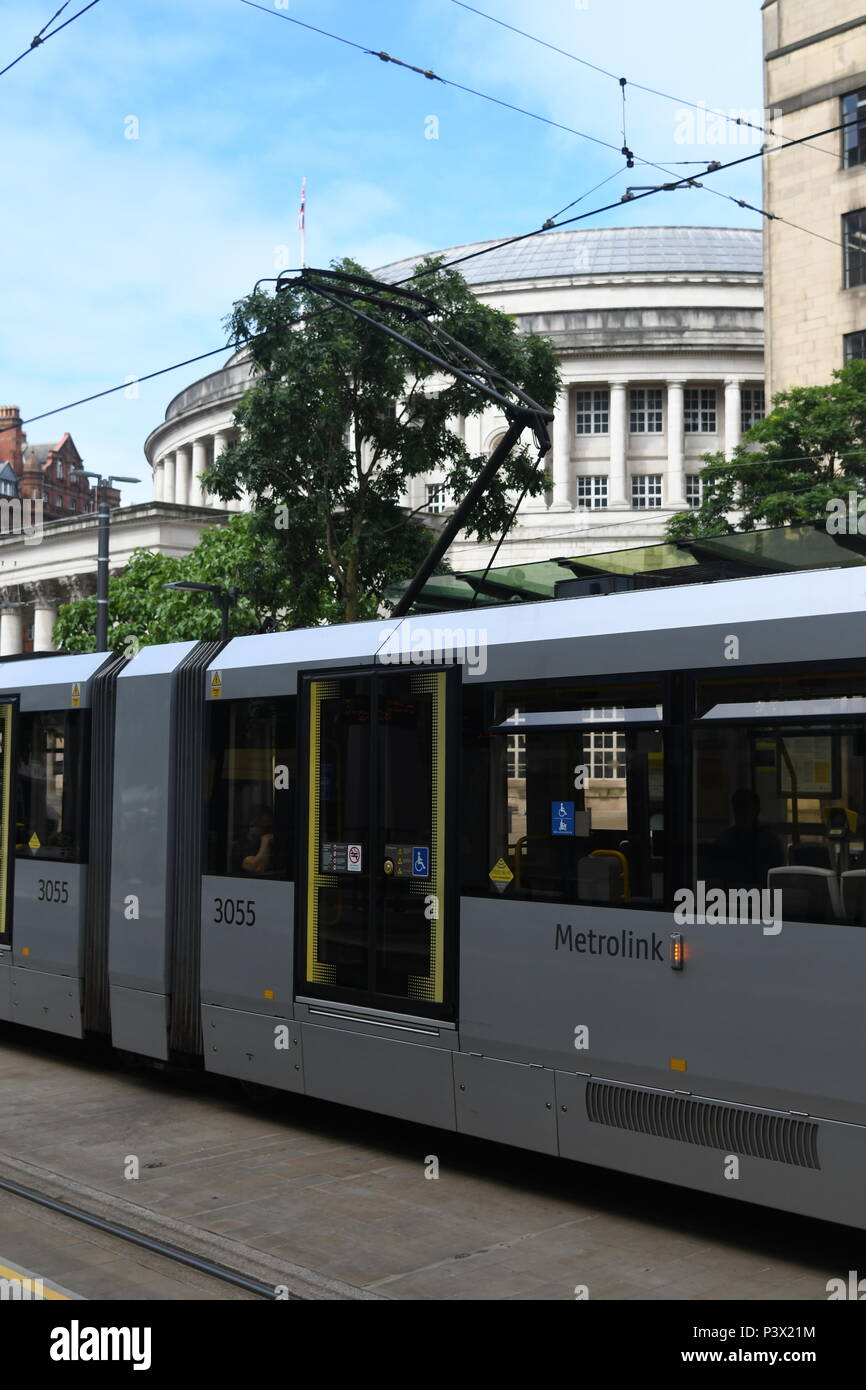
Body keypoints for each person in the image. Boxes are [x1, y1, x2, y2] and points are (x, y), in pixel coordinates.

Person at [715, 787, 785, 890]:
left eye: (745, 808)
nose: (741, 813)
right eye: (738, 808)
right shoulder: (725, 839)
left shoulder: (770, 841)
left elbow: (775, 878)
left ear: (756, 810)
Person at [237, 804, 274, 876]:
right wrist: (265, 841)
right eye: (262, 824)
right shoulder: (241, 846)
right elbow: (256, 867)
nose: (264, 829)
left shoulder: (262, 843)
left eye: (268, 826)